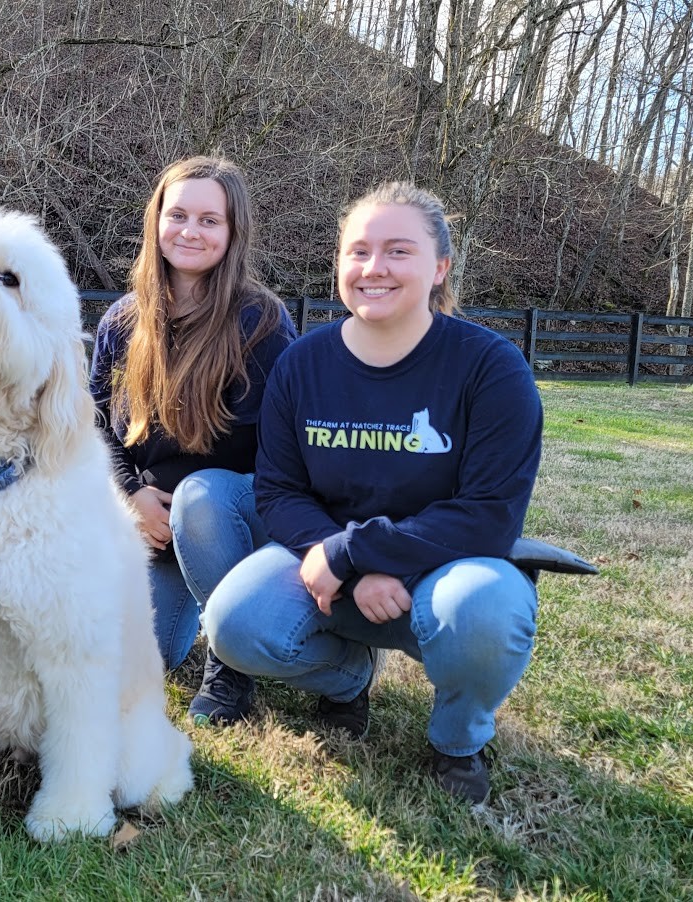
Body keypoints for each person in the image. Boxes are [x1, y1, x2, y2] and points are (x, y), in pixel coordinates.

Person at [199, 182, 543, 804]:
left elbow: (490, 513)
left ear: (440, 267)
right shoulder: (303, 363)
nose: (373, 268)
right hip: (333, 568)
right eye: (357, 252)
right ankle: (347, 676)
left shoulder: (490, 366)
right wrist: (343, 562)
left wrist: (357, 554)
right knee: (235, 625)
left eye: (398, 252)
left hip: (449, 568)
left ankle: (457, 741)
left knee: (485, 610)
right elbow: (279, 491)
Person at [86, 156, 296, 714]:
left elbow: (284, 451)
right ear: (156, 222)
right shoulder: (122, 323)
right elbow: (95, 427)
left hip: (232, 516)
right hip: (151, 528)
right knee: (127, 661)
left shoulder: (264, 325)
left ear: (233, 231)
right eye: (177, 214)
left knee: (201, 498)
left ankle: (230, 667)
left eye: (210, 220)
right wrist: (128, 496)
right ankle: (193, 610)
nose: (190, 231)